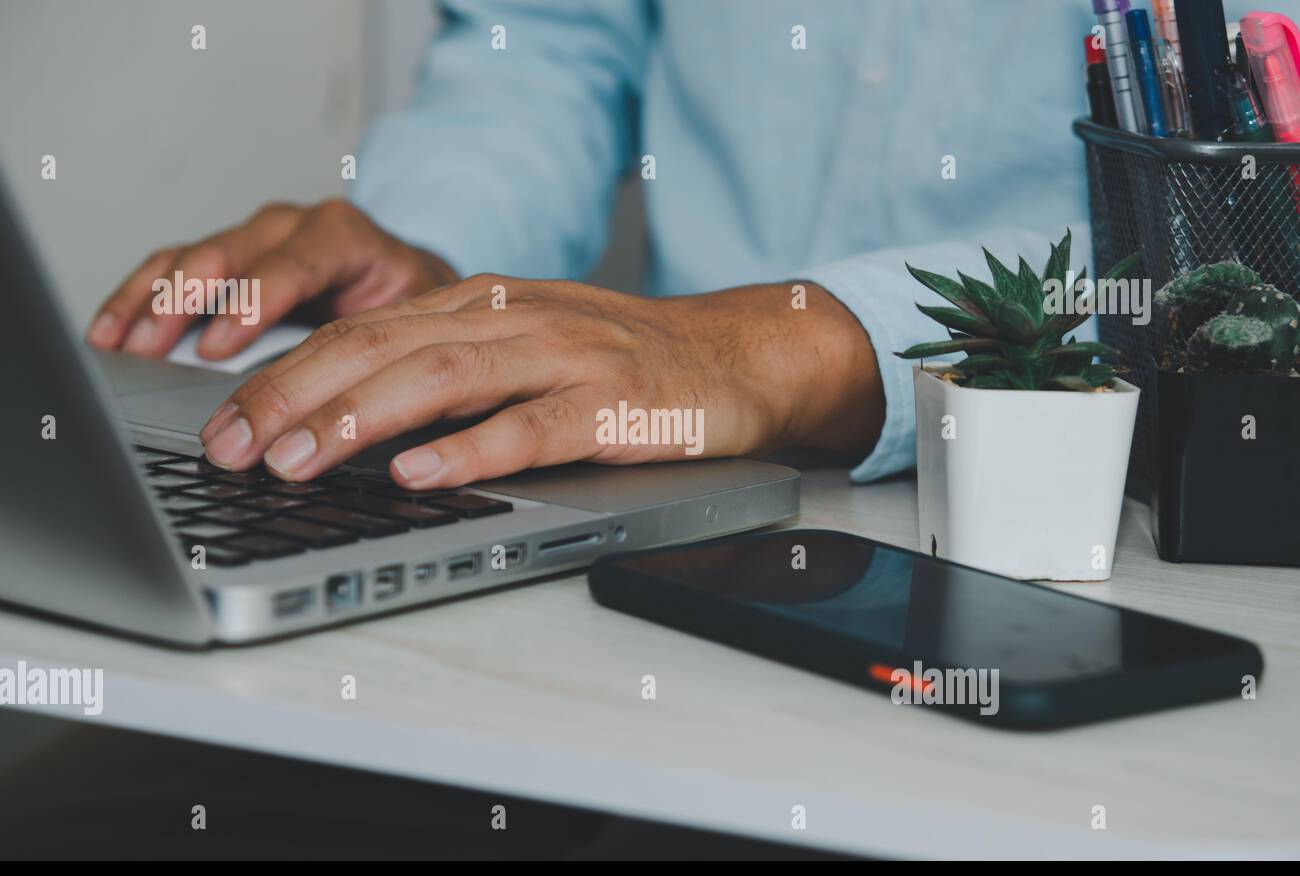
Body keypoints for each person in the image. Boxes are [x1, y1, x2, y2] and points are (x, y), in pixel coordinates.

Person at [86, 1, 1092, 490]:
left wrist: (802, 348)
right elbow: (550, 40)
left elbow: (1232, 237)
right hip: (661, 487)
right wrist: (434, 260)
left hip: (1110, 519)